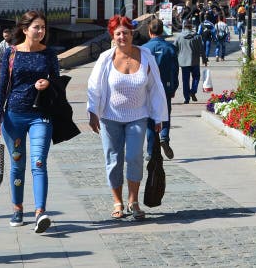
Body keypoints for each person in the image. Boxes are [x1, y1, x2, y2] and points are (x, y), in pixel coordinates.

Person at [87, 16, 169, 221]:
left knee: (134, 157)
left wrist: (158, 116)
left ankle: (133, 201)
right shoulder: (106, 58)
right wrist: (93, 112)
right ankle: (118, 202)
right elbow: (94, 86)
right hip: (109, 117)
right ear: (112, 37)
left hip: (137, 116)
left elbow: (154, 87)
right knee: (113, 159)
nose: (122, 37)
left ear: (132, 34)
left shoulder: (146, 56)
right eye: (118, 33)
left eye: (125, 32)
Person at [0, 10, 60, 233]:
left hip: (41, 115)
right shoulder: (11, 53)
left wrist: (48, 84)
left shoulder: (49, 54)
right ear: (24, 29)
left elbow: (58, 82)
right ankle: (18, 208)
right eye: (36, 27)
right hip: (14, 116)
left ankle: (40, 212)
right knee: (18, 164)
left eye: (43, 27)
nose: (40, 31)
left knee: (39, 162)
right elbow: (3, 86)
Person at [143, 19, 178, 160]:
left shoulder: (144, 49)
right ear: (162, 30)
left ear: (149, 31)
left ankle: (151, 152)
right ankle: (164, 137)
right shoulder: (170, 48)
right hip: (166, 86)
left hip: (148, 88)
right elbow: (175, 69)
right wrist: (174, 86)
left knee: (150, 118)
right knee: (165, 114)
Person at [175, 20, 206, 103]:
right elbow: (202, 48)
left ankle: (186, 98)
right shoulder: (197, 36)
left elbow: (174, 48)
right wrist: (204, 59)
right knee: (196, 77)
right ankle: (193, 91)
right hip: (195, 60)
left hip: (183, 62)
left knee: (185, 80)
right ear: (191, 26)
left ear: (184, 26)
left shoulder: (179, 36)